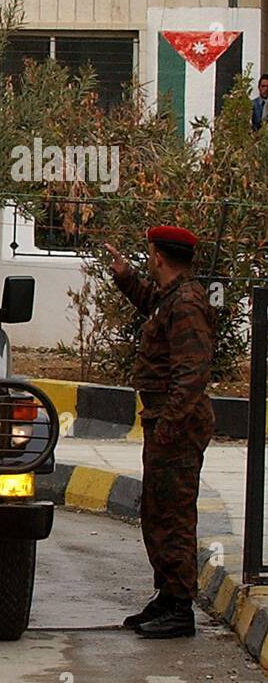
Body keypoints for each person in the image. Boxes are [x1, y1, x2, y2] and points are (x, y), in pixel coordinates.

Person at [105, 228, 215, 639]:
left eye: (148, 253)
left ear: (158, 255)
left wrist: (169, 425)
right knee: (157, 512)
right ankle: (168, 596)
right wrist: (125, 276)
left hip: (178, 426)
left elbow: (191, 373)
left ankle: (180, 606)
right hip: (166, 422)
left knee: (174, 516)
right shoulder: (172, 297)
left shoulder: (187, 303)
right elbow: (152, 304)